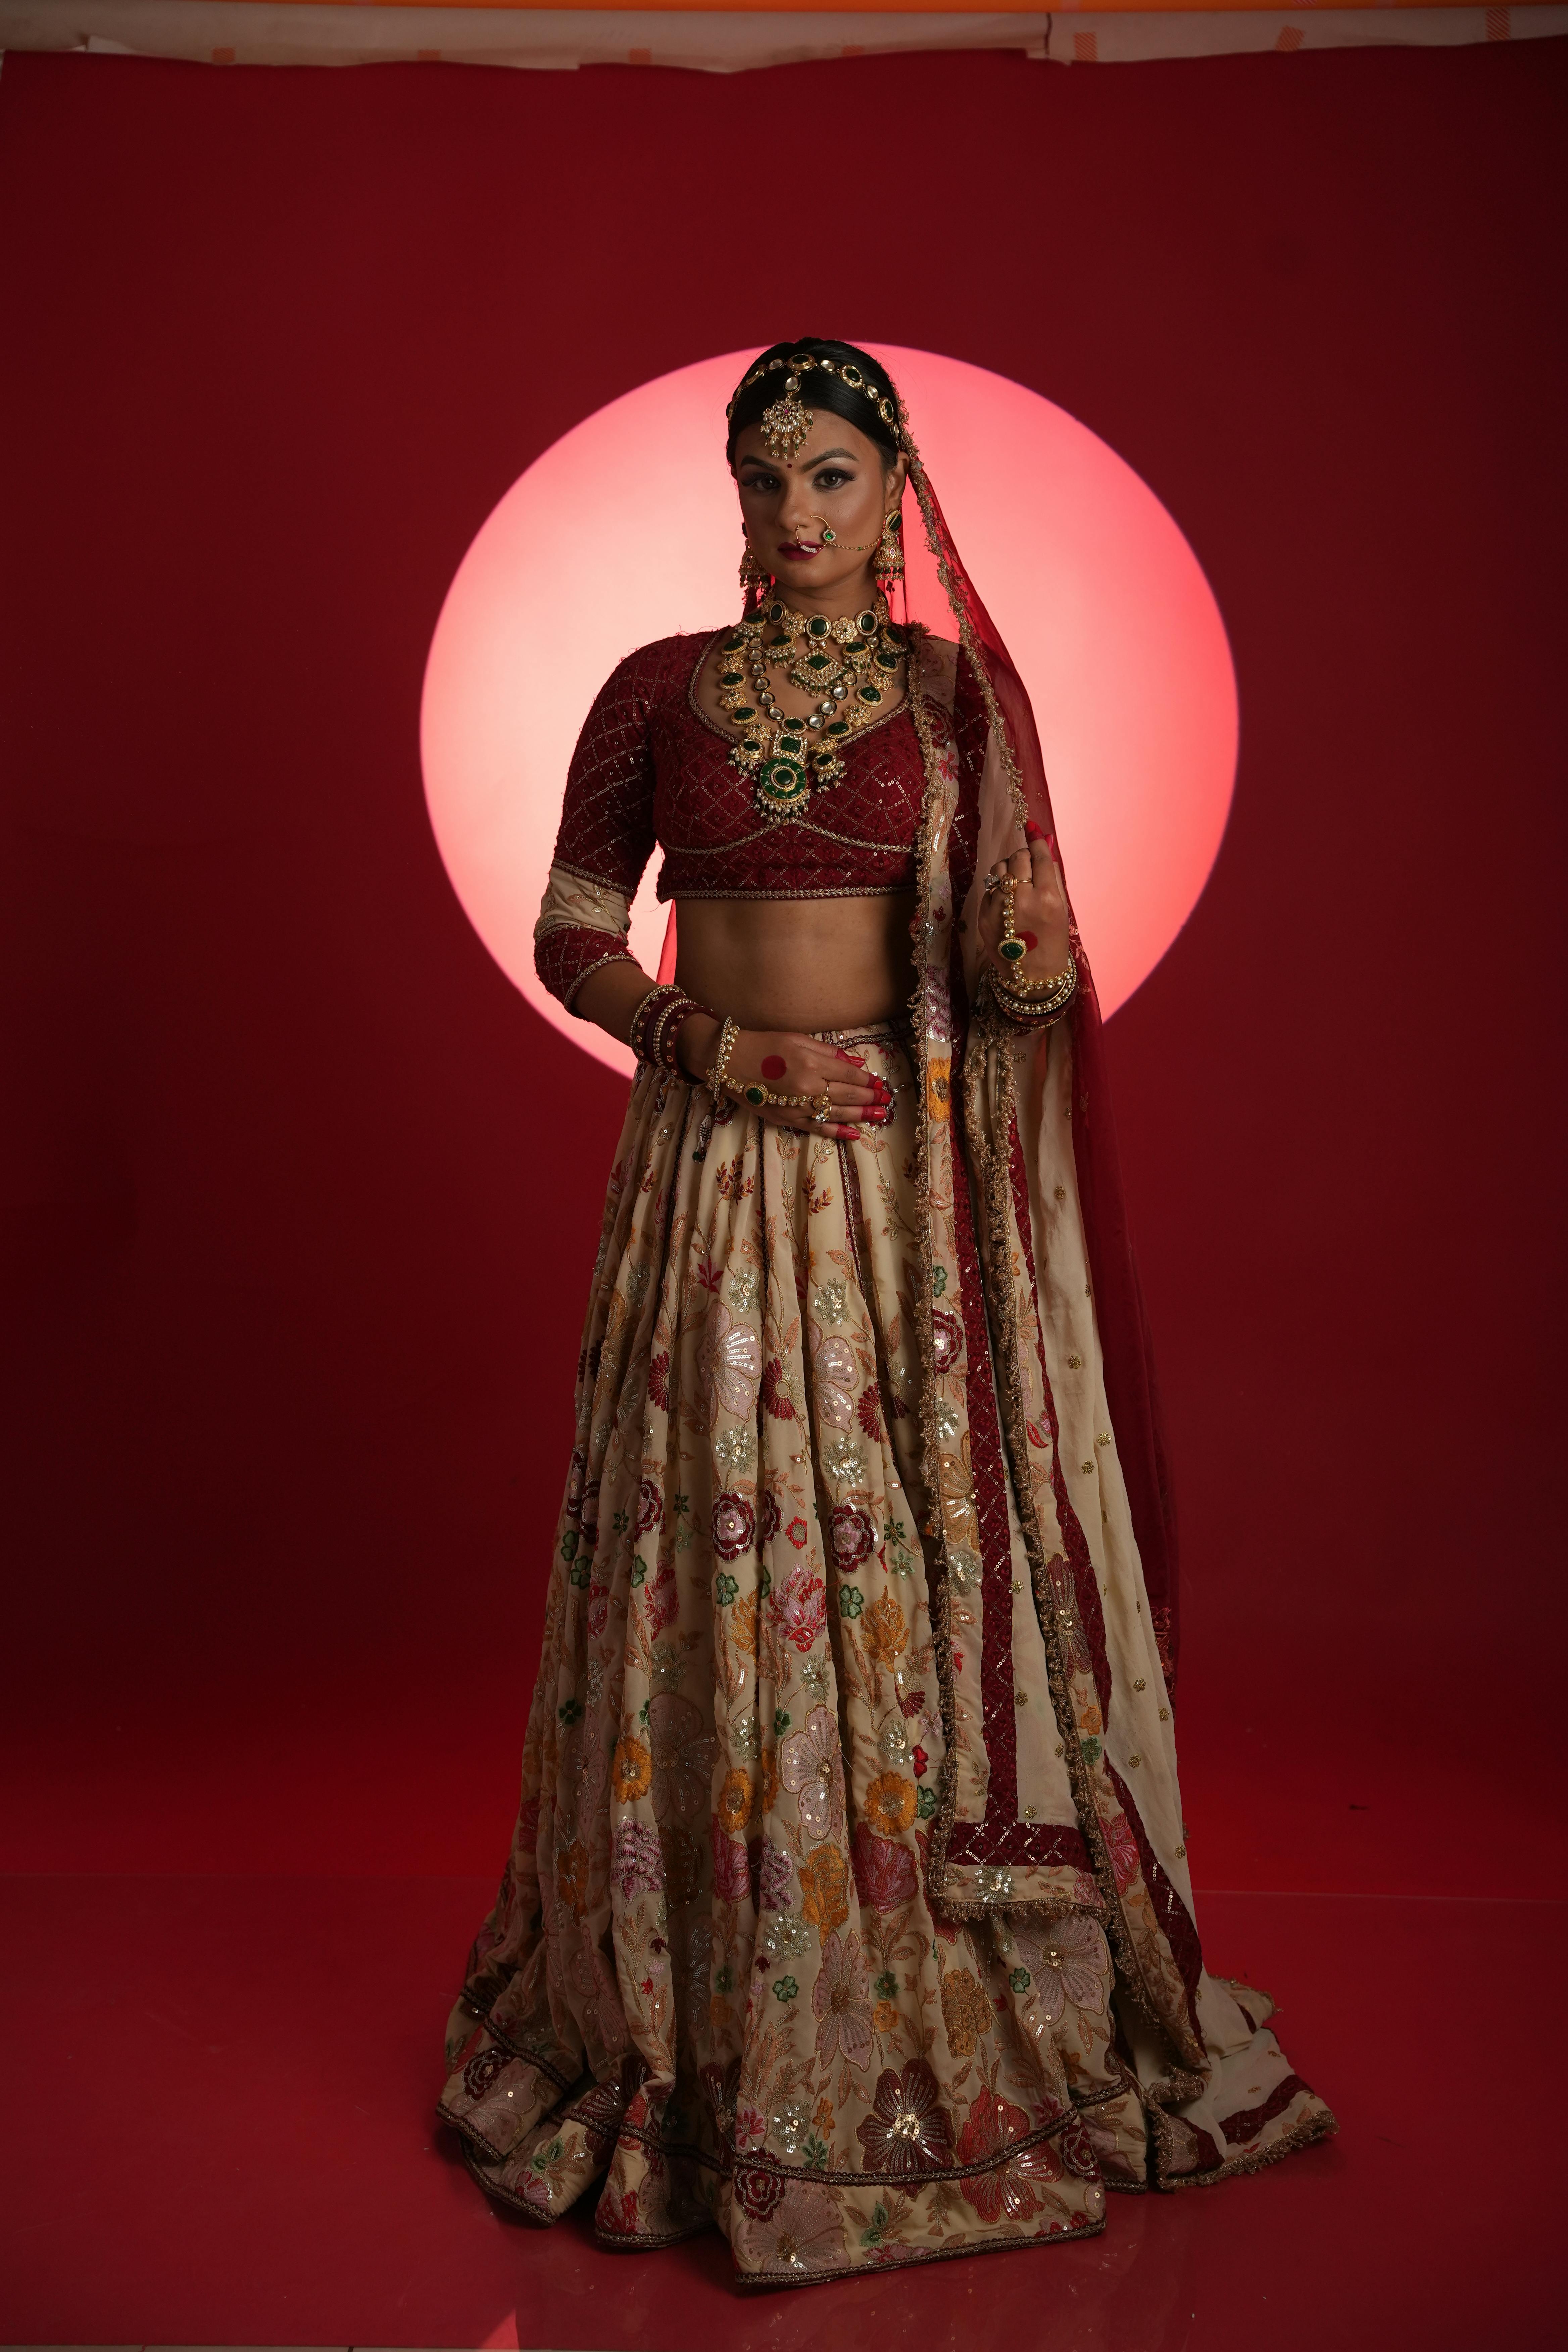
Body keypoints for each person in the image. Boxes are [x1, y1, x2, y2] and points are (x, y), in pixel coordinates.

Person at [437, 339, 1333, 2284]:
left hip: (907, 1204)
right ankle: (688, 2024)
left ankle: (905, 2000)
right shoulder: (655, 688)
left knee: (897, 1566)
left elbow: (1026, 974)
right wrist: (706, 1041)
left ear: (893, 492)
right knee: (709, 1557)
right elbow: (575, 917)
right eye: (765, 479)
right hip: (713, 1173)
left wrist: (1026, 956)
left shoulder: (956, 697)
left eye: (831, 476)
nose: (793, 513)